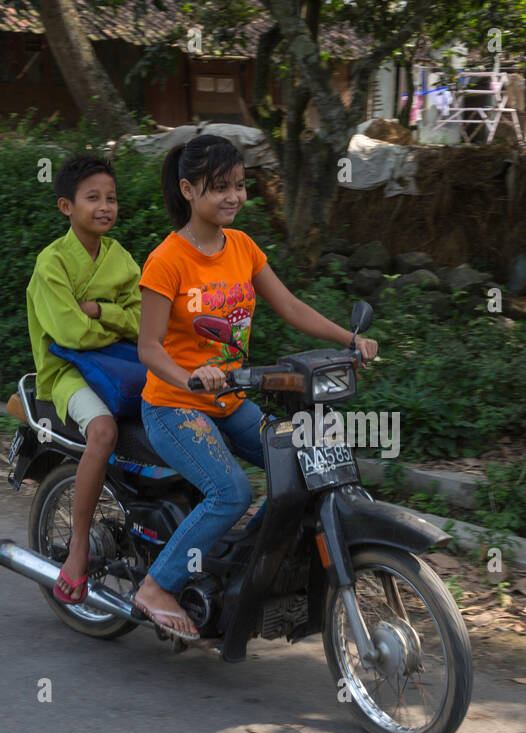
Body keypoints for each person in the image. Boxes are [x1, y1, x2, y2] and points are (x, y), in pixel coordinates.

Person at [133, 134, 379, 640]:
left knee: (306, 467)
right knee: (232, 491)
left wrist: (350, 339)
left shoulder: (242, 247)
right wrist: (190, 378)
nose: (234, 197)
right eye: (220, 187)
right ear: (187, 190)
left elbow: (290, 307)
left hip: (230, 401)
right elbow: (150, 348)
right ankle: (155, 586)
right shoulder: (167, 261)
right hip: (175, 407)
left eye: (240, 186)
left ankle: (237, 561)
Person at [25, 154, 142, 605]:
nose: (104, 206)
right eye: (92, 197)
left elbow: (141, 319)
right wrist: (111, 321)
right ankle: (76, 550)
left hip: (123, 365)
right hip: (68, 373)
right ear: (65, 207)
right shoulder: (51, 264)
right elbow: (70, 334)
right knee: (104, 431)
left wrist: (98, 310)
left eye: (110, 197)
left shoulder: (122, 259)